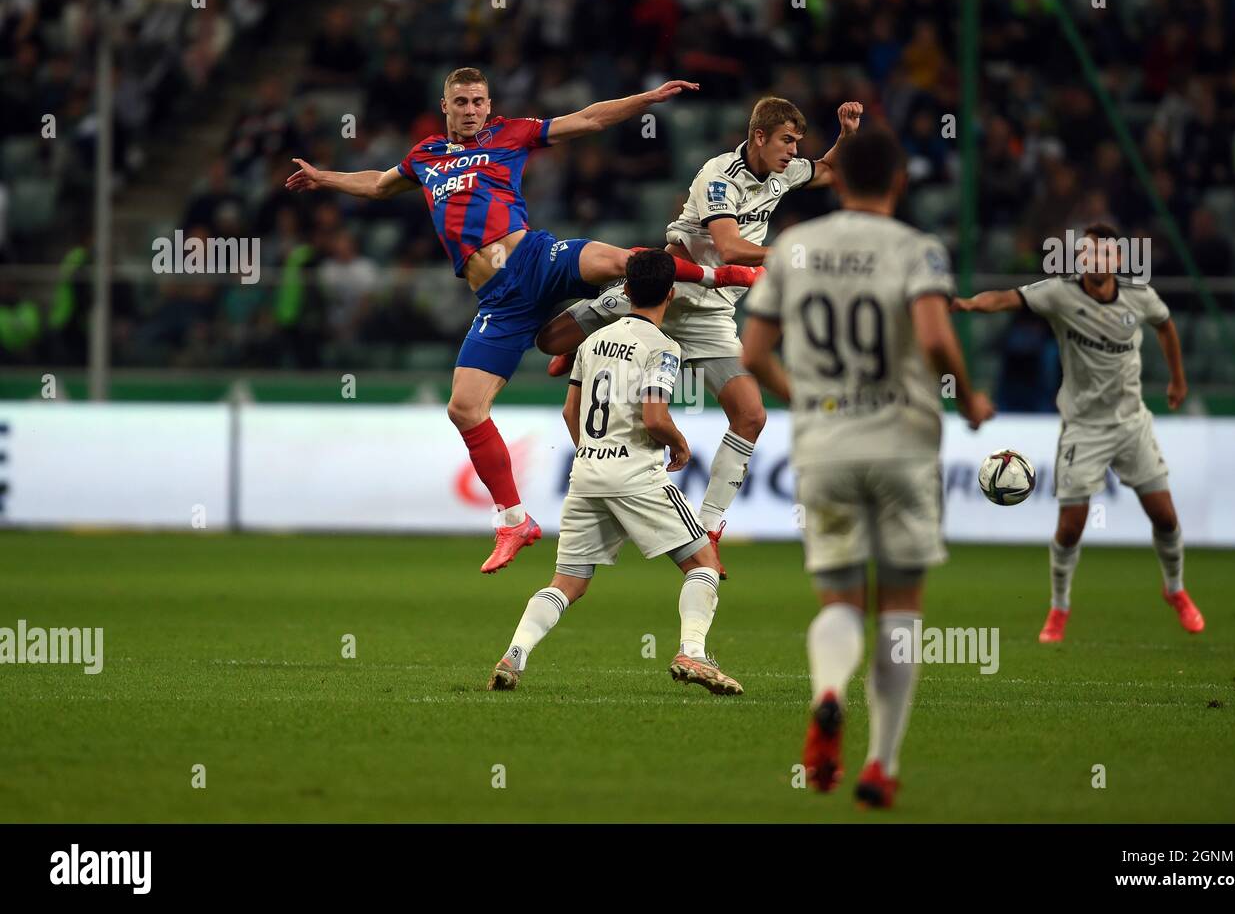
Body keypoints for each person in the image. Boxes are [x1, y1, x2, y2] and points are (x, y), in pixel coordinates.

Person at [286, 68, 760, 573]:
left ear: (489, 107)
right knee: (464, 409)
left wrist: (649, 97)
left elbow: (589, 119)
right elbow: (379, 185)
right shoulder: (424, 156)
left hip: (537, 256)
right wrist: (324, 177)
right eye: (461, 101)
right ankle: (514, 519)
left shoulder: (510, 133)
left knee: (628, 261)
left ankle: (720, 274)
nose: (470, 109)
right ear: (444, 106)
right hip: (498, 298)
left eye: (478, 101)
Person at [741, 125, 994, 809]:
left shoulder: (794, 248)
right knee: (902, 604)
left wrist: (811, 401)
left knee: (841, 598)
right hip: (904, 442)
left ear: (838, 180)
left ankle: (828, 692)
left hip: (826, 446)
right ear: (901, 182)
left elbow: (754, 353)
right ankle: (881, 762)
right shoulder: (918, 249)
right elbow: (938, 337)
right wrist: (969, 398)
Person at [536, 97, 864, 574]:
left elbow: (831, 171)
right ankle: (587, 340)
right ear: (759, 137)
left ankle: (708, 524)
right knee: (550, 340)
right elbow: (728, 246)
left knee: (751, 415)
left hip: (712, 315)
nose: (794, 151)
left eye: (797, 142)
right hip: (662, 292)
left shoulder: (783, 172)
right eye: (786, 141)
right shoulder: (718, 176)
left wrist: (847, 133)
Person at [488, 250, 741, 696]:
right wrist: (680, 446)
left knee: (567, 582)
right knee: (702, 563)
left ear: (624, 290)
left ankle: (515, 654)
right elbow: (656, 417)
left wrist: (593, 453)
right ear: (670, 293)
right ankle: (693, 653)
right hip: (636, 475)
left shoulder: (590, 342)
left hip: (586, 472)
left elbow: (571, 411)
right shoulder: (663, 348)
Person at [952, 222, 1204, 643]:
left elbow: (1166, 325)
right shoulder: (1060, 293)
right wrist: (968, 305)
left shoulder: (1139, 296)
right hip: (1083, 428)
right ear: (1080, 259)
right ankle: (1059, 607)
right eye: (1088, 254)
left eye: (1105, 254)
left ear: (1118, 260)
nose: (1096, 261)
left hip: (1131, 424)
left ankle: (1175, 589)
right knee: (1071, 527)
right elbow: (1008, 299)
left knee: (1165, 516)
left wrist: (1178, 380)